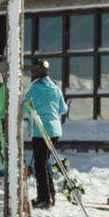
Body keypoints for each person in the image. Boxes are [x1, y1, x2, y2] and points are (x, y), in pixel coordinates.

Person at [22, 59, 69, 209]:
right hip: (55, 131)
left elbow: (24, 109)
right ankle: (50, 195)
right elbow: (63, 110)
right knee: (44, 162)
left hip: (40, 131)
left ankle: (44, 199)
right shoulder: (56, 88)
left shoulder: (33, 90)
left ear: (36, 73)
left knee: (40, 165)